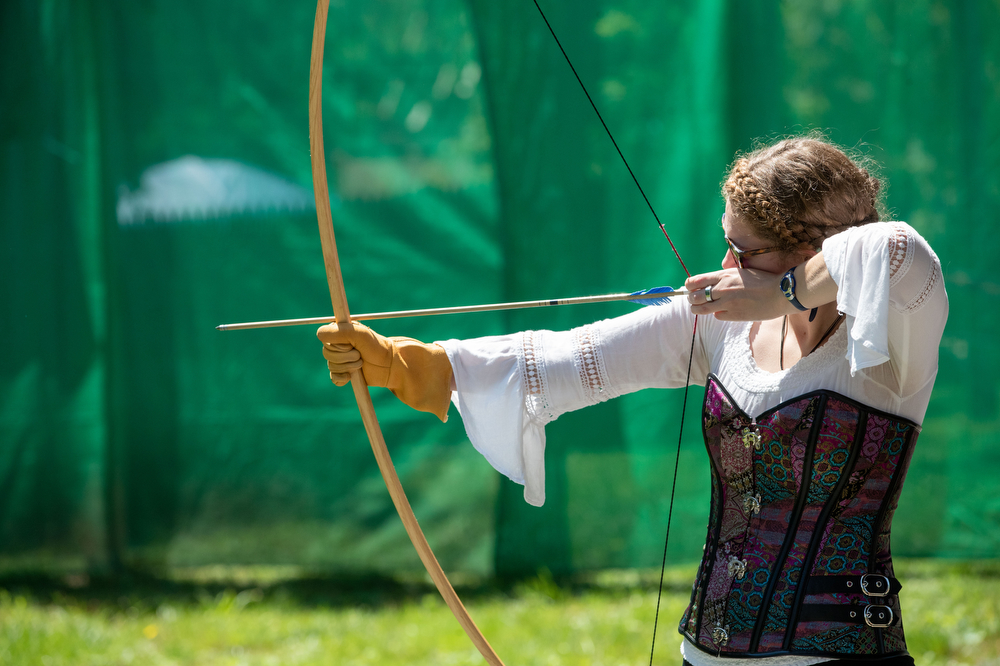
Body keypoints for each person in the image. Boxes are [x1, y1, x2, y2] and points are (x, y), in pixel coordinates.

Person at [318, 136, 948, 666]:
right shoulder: (723, 324)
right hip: (703, 653)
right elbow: (570, 358)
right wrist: (408, 364)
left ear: (813, 250)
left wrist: (777, 293)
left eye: (746, 250)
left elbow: (897, 252)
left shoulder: (889, 341)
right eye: (726, 241)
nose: (726, 262)